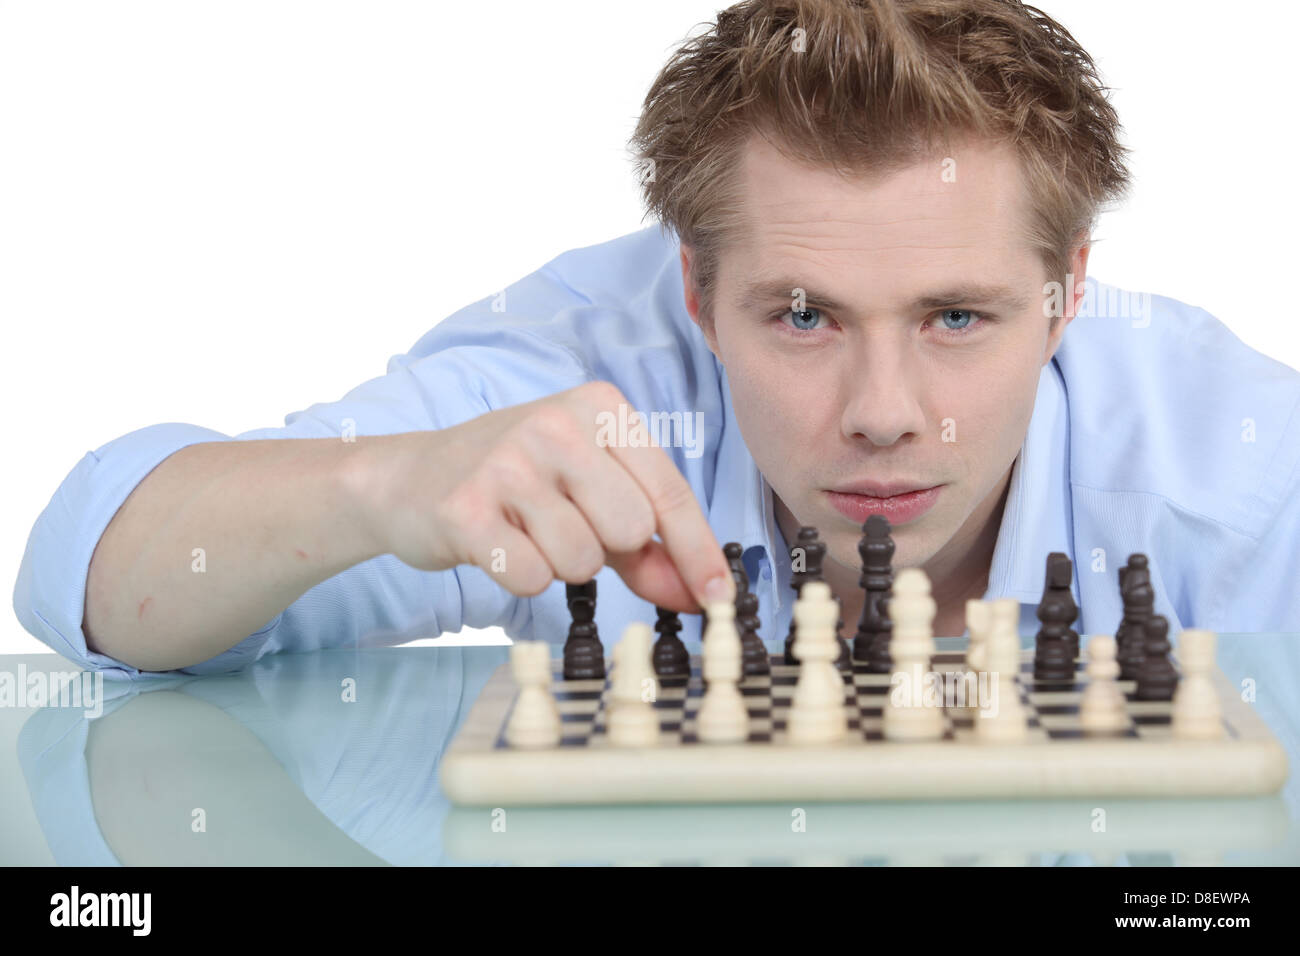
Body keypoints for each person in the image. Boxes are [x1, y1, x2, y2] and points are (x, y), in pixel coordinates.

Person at [14, 0, 1300, 679]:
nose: (883, 410)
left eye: (957, 316)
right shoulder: (592, 370)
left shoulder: (1243, 473)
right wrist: (383, 480)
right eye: (800, 315)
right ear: (693, 289)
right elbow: (90, 578)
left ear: (1068, 291)